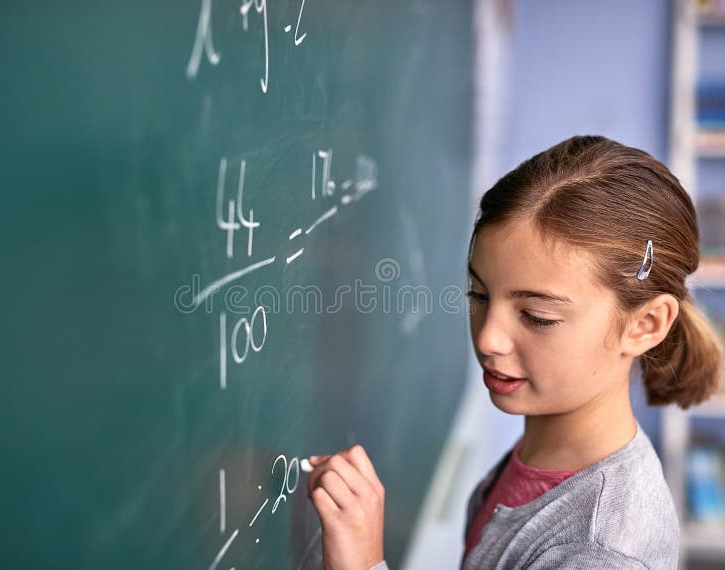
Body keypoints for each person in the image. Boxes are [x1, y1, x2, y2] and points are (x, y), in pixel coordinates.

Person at [304, 135, 725, 569]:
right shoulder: (546, 456)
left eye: (537, 316)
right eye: (478, 294)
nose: (489, 338)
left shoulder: (600, 552)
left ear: (645, 325)